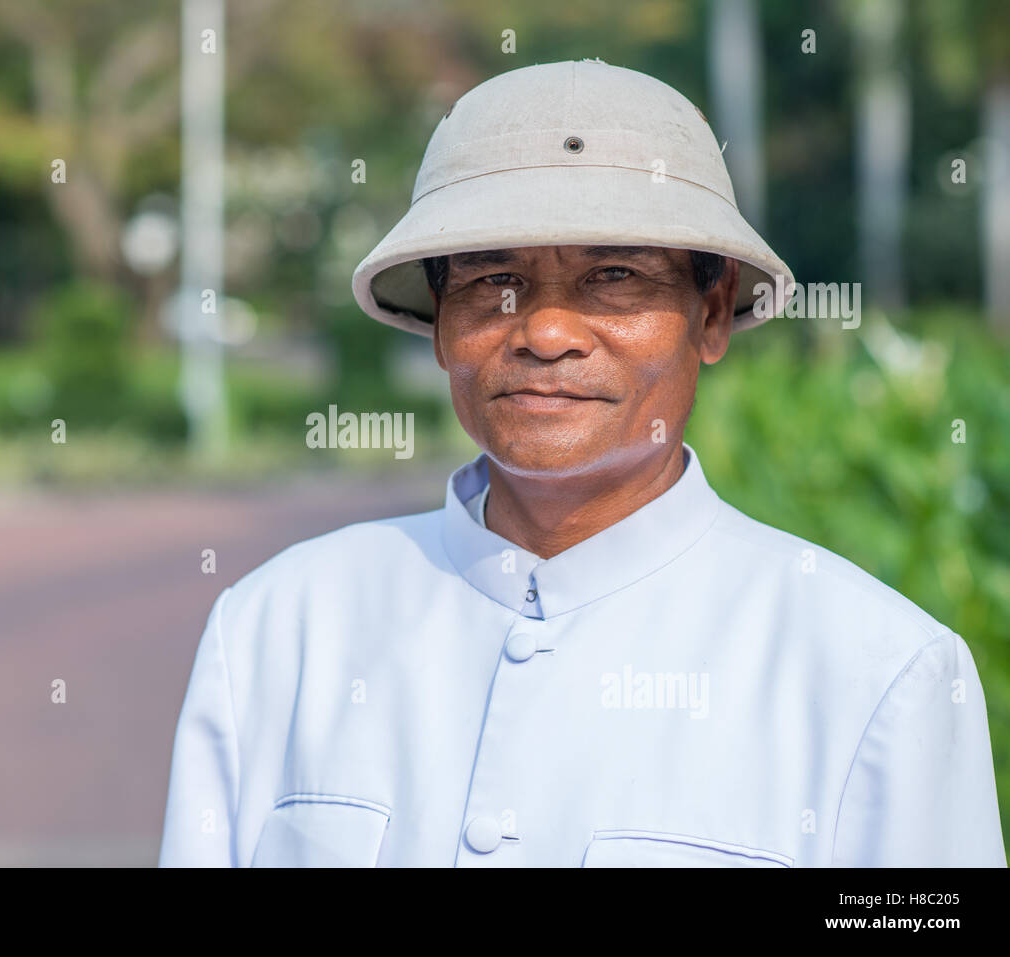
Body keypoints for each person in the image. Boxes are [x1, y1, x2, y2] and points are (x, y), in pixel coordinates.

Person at [157, 59, 1005, 867]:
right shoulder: (280, 631)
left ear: (710, 315)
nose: (546, 332)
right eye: (494, 278)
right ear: (442, 320)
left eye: (615, 275)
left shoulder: (875, 672)